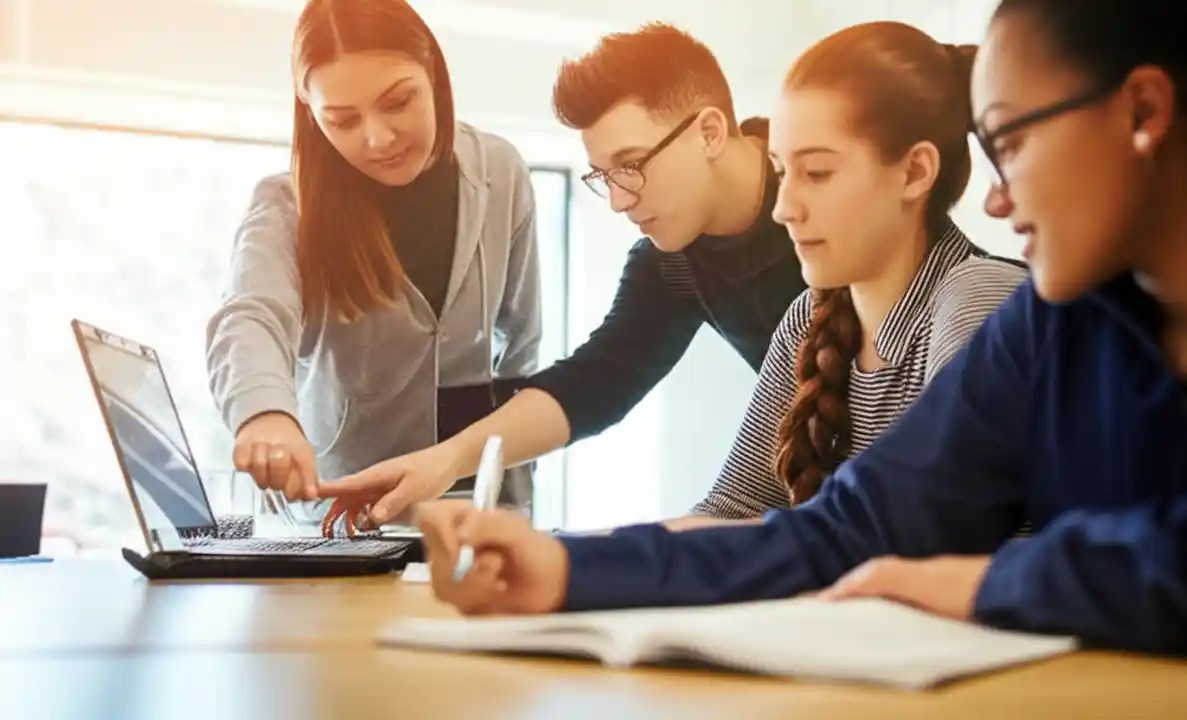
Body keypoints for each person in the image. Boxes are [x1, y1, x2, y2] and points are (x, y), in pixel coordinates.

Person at [417, 0, 1187, 663]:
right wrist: (568, 571)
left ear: (1143, 112)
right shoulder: (1046, 332)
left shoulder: (985, 300)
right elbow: (845, 528)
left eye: (1010, 143)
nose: (998, 199)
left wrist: (995, 582)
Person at [318, 24, 807, 526]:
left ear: (709, 132)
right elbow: (595, 382)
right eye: (603, 177)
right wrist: (445, 461)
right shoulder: (669, 261)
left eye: (632, 164)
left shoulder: (828, 209)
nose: (619, 201)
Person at [672, 27, 1024, 527]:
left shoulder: (978, 297)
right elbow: (729, 513)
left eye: (816, 173)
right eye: (781, 172)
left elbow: (928, 532)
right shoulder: (808, 320)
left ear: (915, 172)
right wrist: (570, 557)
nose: (784, 209)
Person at [205, 0, 541, 520]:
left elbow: (520, 343)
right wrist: (265, 414)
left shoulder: (502, 169)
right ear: (310, 112)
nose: (378, 138)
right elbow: (251, 316)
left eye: (399, 101)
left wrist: (517, 486)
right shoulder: (285, 204)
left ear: (432, 70)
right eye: (341, 120)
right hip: (346, 514)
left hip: (482, 508)